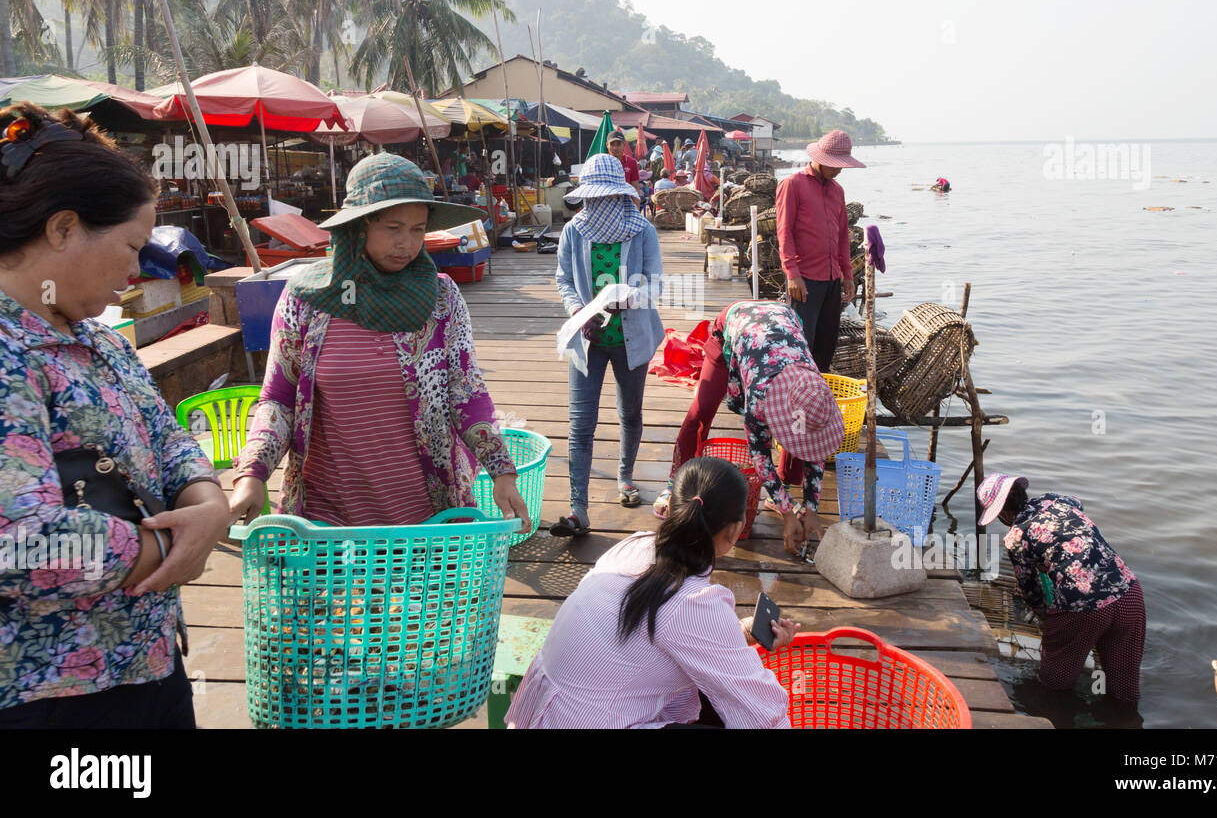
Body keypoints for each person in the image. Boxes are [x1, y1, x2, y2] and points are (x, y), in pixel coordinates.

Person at [0, 103, 230, 727]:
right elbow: (19, 541)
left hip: (148, 661)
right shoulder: (9, 352)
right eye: (131, 246)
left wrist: (208, 503)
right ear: (62, 228)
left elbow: (167, 434)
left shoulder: (100, 342)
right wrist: (167, 544)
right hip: (52, 697)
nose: (136, 271)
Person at [230, 153, 530, 531]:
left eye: (418, 230)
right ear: (358, 227)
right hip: (329, 515)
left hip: (428, 513)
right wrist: (252, 473)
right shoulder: (305, 300)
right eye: (393, 228)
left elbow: (466, 392)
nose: (406, 243)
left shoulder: (441, 299)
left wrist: (502, 471)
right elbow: (279, 399)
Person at [507, 456, 797, 728]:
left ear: (669, 507)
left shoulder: (634, 546)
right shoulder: (694, 602)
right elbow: (762, 711)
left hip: (546, 712)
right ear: (734, 531)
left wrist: (740, 631)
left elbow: (655, 632)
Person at [661, 301, 845, 555]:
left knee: (802, 430)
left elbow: (814, 449)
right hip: (736, 323)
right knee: (701, 411)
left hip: (784, 323)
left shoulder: (815, 390)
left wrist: (812, 509)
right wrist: (788, 515)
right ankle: (674, 484)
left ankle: (781, 491)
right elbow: (760, 457)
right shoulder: (760, 396)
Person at [553, 154, 664, 534]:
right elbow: (564, 280)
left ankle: (625, 476)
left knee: (628, 413)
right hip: (589, 340)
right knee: (580, 425)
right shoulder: (574, 231)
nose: (597, 207)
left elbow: (656, 285)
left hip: (631, 340)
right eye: (591, 200)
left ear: (620, 196)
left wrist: (627, 298)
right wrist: (580, 313)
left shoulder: (642, 230)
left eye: (605, 199)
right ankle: (577, 509)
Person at [978, 473, 1146, 704]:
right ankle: (1126, 718)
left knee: (1055, 687)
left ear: (1004, 513)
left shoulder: (1016, 536)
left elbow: (1031, 591)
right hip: (1129, 592)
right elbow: (1078, 503)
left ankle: (1059, 717)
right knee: (1124, 690)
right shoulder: (1055, 500)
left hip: (1082, 607)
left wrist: (1049, 622)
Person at [775, 129, 864, 372]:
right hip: (804, 281)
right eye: (835, 165)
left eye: (842, 165)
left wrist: (847, 275)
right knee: (802, 344)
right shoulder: (792, 184)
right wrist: (792, 274)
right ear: (820, 159)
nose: (839, 170)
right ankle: (797, 399)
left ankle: (818, 399)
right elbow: (784, 232)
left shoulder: (837, 191)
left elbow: (842, 237)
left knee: (826, 344)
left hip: (832, 280)